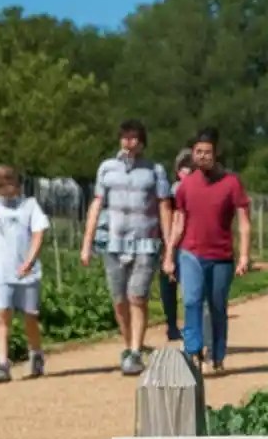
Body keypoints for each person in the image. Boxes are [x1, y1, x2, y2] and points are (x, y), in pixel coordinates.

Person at [80, 119, 173, 376]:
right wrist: (86, 244)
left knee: (137, 295)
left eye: (134, 138)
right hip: (113, 240)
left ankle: (134, 352)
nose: (129, 143)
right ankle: (129, 343)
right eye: (125, 137)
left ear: (142, 142)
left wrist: (169, 246)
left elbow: (165, 207)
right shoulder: (107, 169)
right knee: (119, 299)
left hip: (145, 240)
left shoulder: (155, 171)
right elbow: (97, 204)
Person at [164, 127, 252, 374]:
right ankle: (193, 351)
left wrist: (244, 255)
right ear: (192, 154)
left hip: (221, 256)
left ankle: (217, 354)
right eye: (198, 152)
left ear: (216, 154)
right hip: (190, 253)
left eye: (207, 152)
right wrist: (170, 254)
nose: (202, 156)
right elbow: (178, 222)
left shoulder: (231, 184)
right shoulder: (185, 186)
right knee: (191, 301)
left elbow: (244, 222)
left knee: (216, 306)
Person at [0, 165, 49, 383]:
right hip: (1, 271)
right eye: (0, 187)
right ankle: (2, 364)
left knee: (30, 316)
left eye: (9, 185)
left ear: (16, 184)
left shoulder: (30, 206)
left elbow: (38, 234)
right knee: (2, 315)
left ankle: (36, 353)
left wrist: (29, 261)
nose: (5, 191)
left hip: (27, 273)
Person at [159, 149, 194, 341]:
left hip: (191, 243)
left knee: (190, 288)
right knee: (169, 285)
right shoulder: (173, 191)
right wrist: (168, 246)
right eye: (183, 167)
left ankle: (190, 325)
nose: (187, 171)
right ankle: (171, 325)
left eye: (190, 167)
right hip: (172, 242)